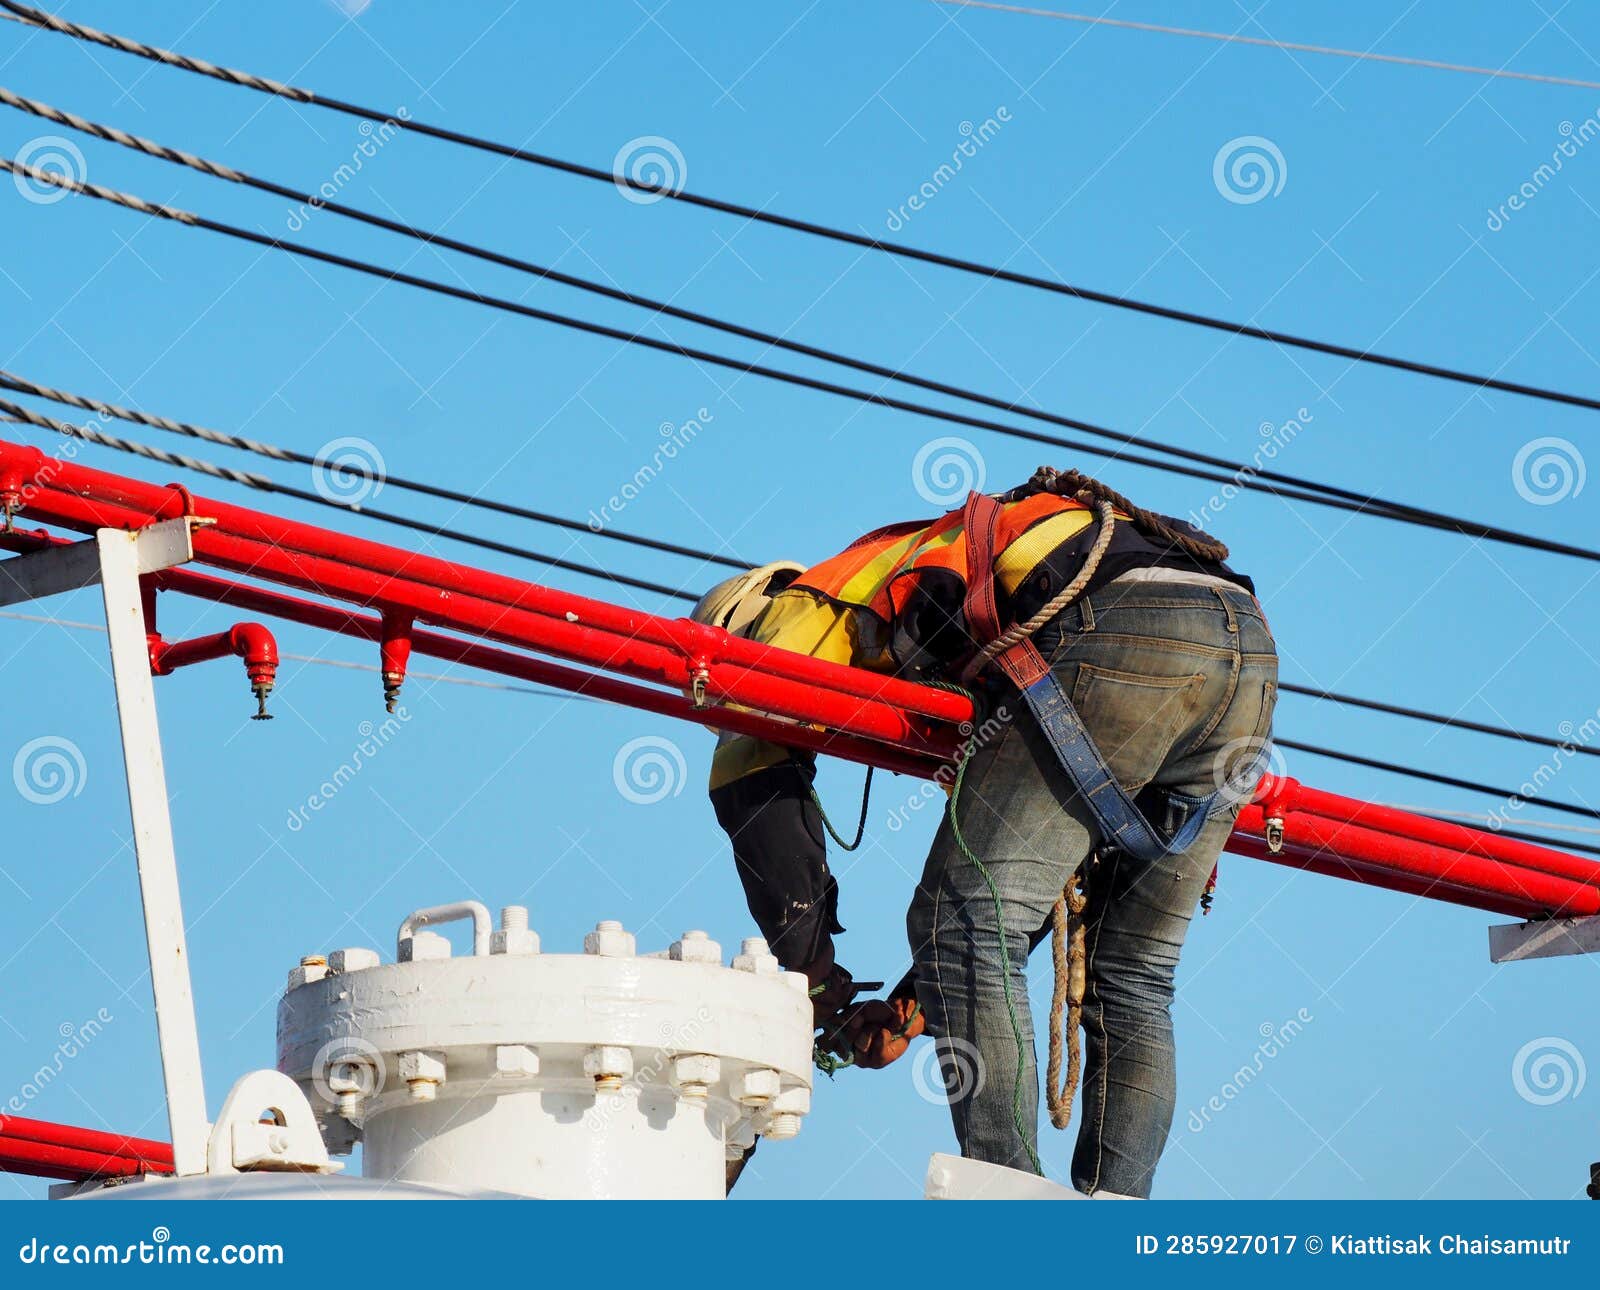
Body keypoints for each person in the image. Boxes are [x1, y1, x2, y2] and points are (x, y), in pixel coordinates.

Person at [697, 467, 1277, 1197]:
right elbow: (1015, 894)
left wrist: (808, 977)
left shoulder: (799, 604)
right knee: (1132, 973)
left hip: (1125, 624)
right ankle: (1114, 1226)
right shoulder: (927, 596)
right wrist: (911, 1011)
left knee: (959, 921)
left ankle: (1011, 1214)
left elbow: (753, 780)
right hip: (1244, 650)